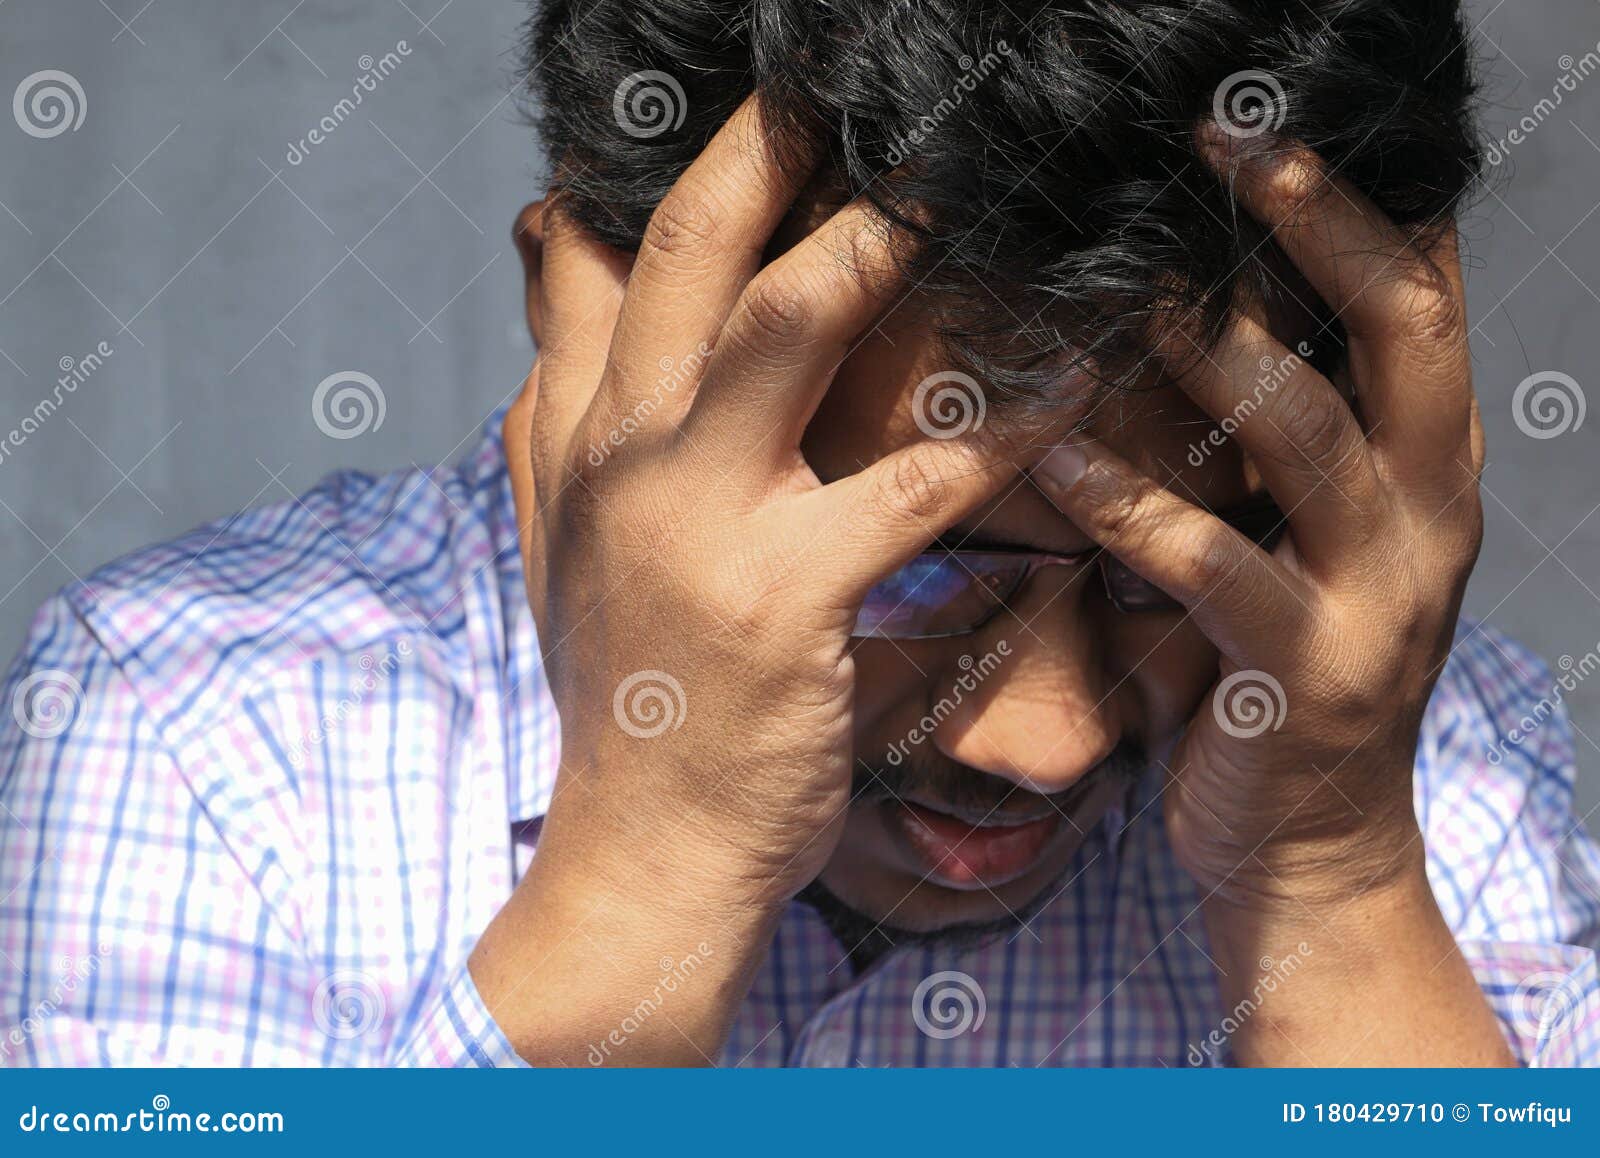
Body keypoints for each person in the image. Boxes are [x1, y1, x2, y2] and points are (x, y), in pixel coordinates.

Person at [4, 0, 1598, 1067]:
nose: (1042, 742)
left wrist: (1330, 886)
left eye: (1171, 574)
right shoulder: (195, 726)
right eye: (906, 557)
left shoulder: (1424, 776)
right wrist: (654, 867)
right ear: (592, 348)